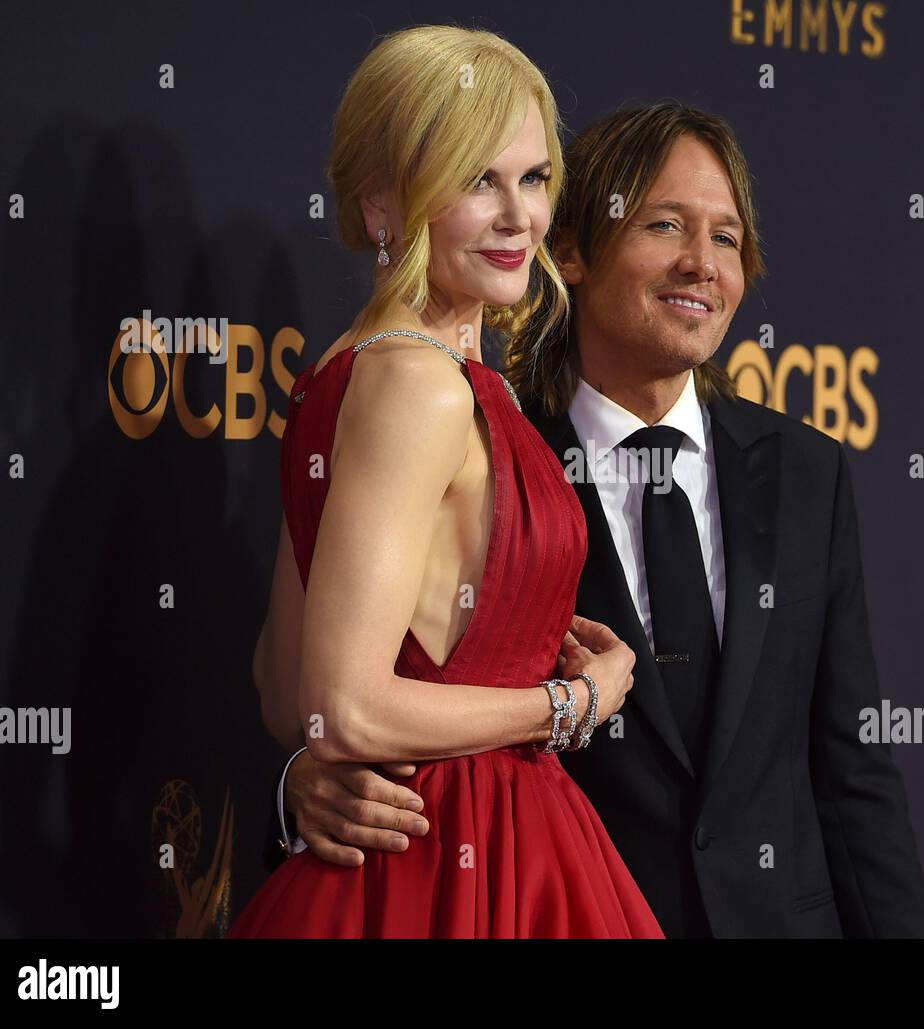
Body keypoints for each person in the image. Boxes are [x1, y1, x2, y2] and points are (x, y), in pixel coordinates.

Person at [275, 101, 924, 938]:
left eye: (727, 238)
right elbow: (348, 675)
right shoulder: (497, 464)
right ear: (572, 250)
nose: (702, 264)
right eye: (666, 225)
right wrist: (306, 776)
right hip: (555, 911)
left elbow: (854, 770)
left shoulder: (806, 474)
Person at [229, 25, 663, 938]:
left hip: (439, 843)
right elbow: (339, 704)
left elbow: (281, 679)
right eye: (478, 180)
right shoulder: (418, 386)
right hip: (456, 853)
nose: (521, 217)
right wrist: (572, 702)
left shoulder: (348, 374)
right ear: (383, 201)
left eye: (535, 178)